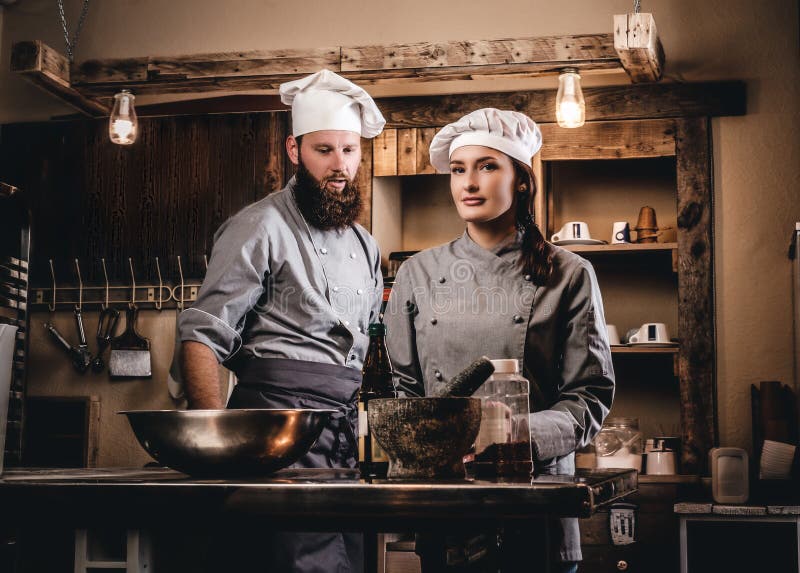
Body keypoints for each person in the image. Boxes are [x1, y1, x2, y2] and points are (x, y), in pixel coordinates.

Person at [383, 108, 615, 572]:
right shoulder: (417, 274)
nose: (469, 183)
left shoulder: (569, 274)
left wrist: (515, 433)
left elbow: (589, 397)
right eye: (458, 169)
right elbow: (404, 395)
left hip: (535, 503)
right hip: (445, 507)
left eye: (487, 166)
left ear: (522, 180)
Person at [176, 69, 385, 573]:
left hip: (344, 433)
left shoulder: (365, 243)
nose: (340, 166)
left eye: (350, 150)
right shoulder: (260, 225)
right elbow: (202, 335)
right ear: (294, 151)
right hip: (274, 430)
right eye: (324, 150)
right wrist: (216, 445)